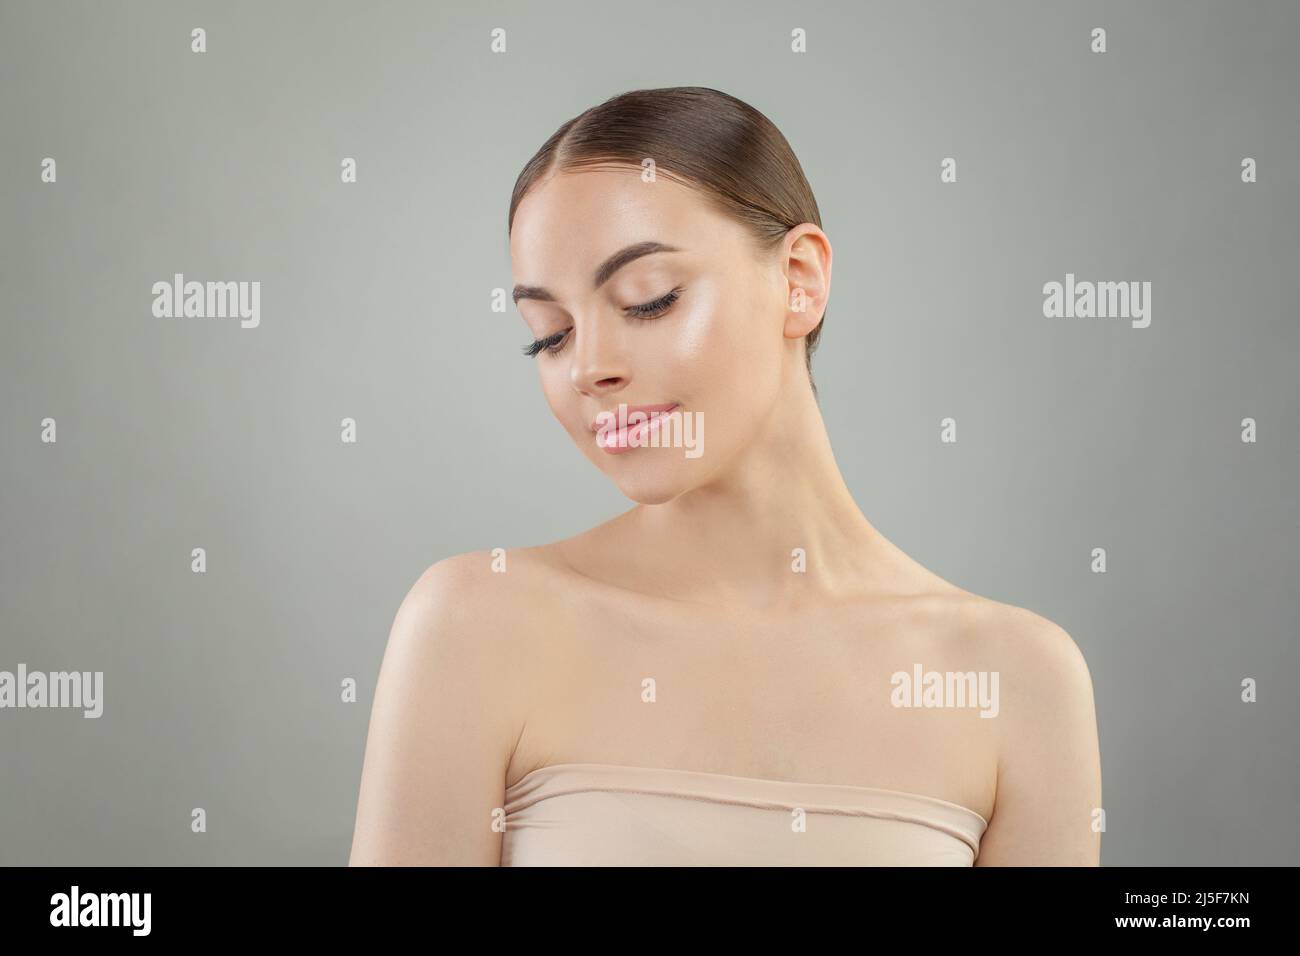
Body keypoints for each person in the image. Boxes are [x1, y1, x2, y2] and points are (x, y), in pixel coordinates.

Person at [349, 87, 1102, 866]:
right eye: (550, 336)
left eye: (650, 300)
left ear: (800, 278)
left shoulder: (1016, 680)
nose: (589, 369)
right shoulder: (475, 625)